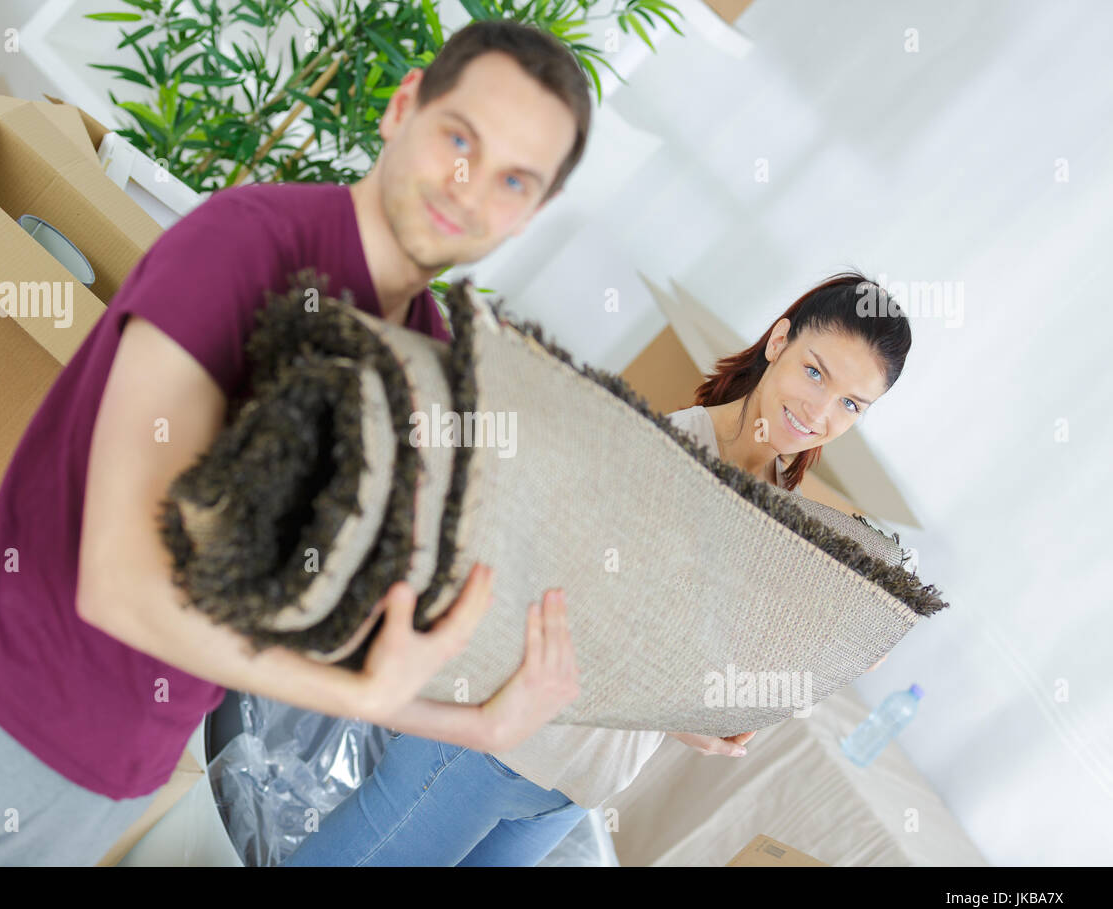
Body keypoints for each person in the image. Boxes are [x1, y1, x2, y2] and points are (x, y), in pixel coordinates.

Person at [0, 20, 595, 865]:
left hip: (118, 772)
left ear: (534, 212)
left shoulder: (424, 356)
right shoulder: (249, 246)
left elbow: (308, 619)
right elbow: (118, 584)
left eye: (514, 179)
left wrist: (474, 723)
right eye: (459, 138)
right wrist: (368, 693)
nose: (469, 190)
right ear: (403, 108)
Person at [282, 271, 912, 866]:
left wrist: (838, 644)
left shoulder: (777, 518)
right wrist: (678, 715)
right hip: (494, 744)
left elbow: (689, 651)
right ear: (778, 342)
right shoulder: (664, 454)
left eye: (850, 404)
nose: (820, 413)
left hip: (574, 786)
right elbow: (570, 616)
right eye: (814, 372)